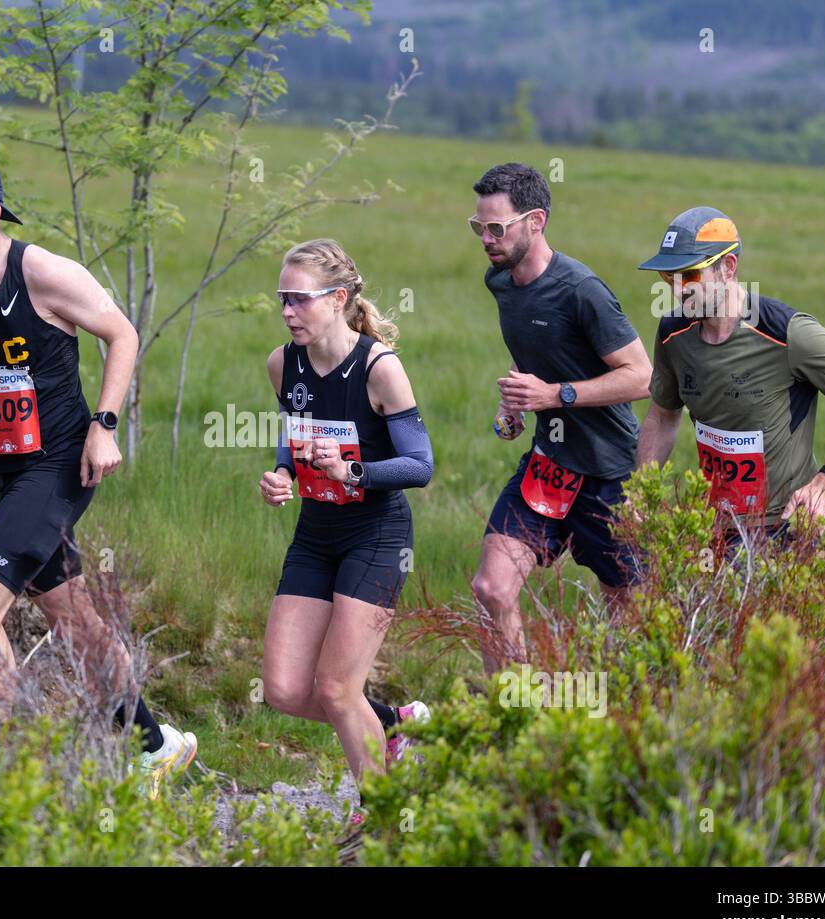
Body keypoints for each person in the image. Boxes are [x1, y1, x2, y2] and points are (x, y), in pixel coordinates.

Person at [0, 153, 196, 797]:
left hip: (58, 465)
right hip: (3, 467)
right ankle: (155, 745)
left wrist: (104, 424)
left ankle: (1, 769)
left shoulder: (45, 273)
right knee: (68, 613)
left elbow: (122, 334)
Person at [257, 238, 434, 808]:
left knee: (336, 688)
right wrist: (283, 474)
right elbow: (297, 431)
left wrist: (352, 471)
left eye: (299, 300)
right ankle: (393, 723)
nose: (287, 311)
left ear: (337, 299)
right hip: (315, 533)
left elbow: (420, 465)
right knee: (284, 690)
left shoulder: (380, 368)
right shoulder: (282, 363)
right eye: (282, 299)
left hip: (377, 535)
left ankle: (379, 816)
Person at [469, 163, 652, 673]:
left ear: (536, 221)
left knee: (628, 609)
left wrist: (554, 394)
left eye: (497, 227)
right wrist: (515, 408)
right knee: (491, 587)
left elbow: (642, 377)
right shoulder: (501, 281)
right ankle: (515, 717)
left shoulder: (582, 290)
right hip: (548, 467)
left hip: (608, 474)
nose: (486, 238)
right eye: (478, 227)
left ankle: (611, 724)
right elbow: (537, 357)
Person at [634, 206, 825, 539]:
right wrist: (642, 489)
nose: (678, 288)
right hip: (712, 526)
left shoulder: (785, 331)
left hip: (783, 528)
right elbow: (662, 416)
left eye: (691, 275)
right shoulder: (672, 333)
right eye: (669, 277)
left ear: (728, 267)